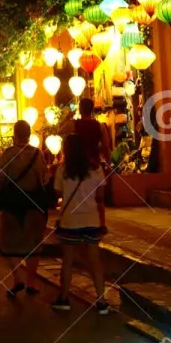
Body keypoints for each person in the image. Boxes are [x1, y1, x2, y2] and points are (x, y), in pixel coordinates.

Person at [51, 134, 110, 314]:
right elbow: (100, 197)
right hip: (91, 219)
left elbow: (57, 193)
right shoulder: (96, 169)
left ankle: (64, 298)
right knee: (95, 261)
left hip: (70, 221)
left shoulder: (63, 169)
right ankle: (101, 301)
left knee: (67, 261)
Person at [0, 120, 50, 298]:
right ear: (29, 134)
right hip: (33, 203)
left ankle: (18, 279)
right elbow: (45, 179)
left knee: (10, 243)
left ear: (14, 135)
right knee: (33, 244)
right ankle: (32, 281)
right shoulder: (37, 154)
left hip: (13, 204)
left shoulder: (9, 154)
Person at [73, 97, 113, 169]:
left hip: (78, 166)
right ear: (92, 110)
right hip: (94, 165)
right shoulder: (100, 126)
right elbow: (106, 147)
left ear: (80, 110)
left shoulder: (74, 125)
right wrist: (109, 165)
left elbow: (68, 144)